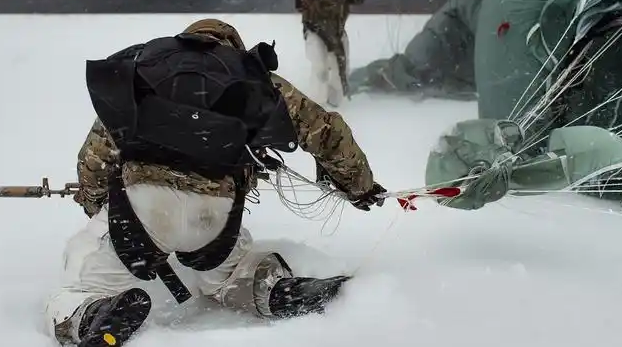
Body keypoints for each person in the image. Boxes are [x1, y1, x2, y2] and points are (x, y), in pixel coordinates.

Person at [45, 18, 387, 347]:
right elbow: (327, 131)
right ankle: (270, 289)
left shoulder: (146, 74)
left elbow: (94, 157)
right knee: (229, 274)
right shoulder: (252, 77)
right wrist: (359, 187)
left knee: (82, 277)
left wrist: (98, 207)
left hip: (142, 206)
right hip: (216, 216)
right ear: (232, 46)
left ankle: (93, 313)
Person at [269, 0, 366, 107]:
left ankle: (337, 107)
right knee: (320, 70)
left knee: (339, 74)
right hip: (315, 30)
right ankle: (316, 108)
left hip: (337, 33)